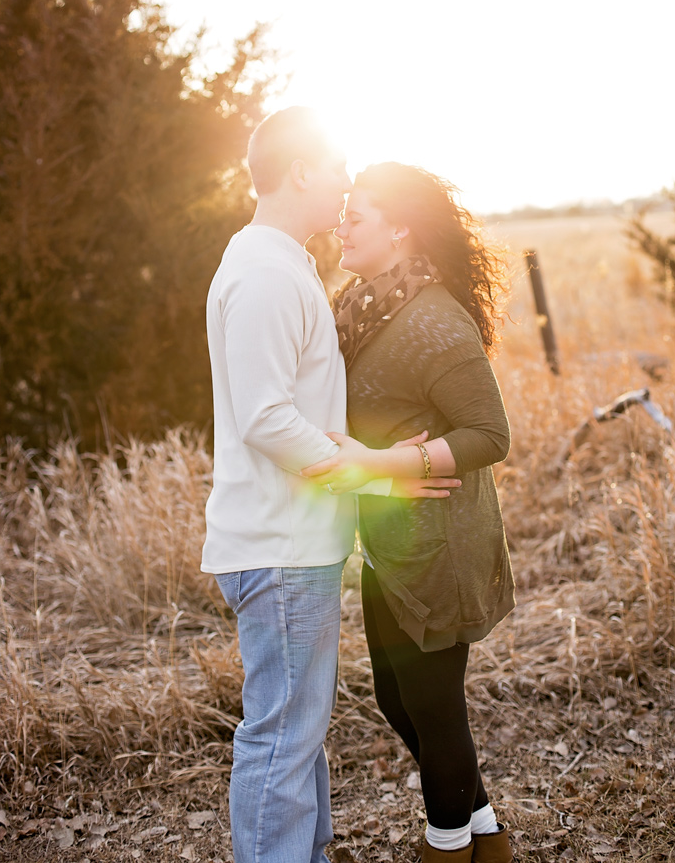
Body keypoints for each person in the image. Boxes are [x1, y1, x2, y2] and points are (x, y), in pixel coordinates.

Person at [202, 110, 458, 863]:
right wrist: (377, 477)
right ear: (301, 171)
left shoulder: (280, 263)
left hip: (294, 539)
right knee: (281, 736)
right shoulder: (264, 273)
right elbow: (266, 419)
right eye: (338, 167)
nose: (347, 185)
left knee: (298, 728)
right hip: (279, 546)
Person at [301, 163, 516, 863]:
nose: (341, 227)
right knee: (400, 700)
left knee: (433, 706)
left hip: (442, 542)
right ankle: (485, 836)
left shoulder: (433, 319)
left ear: (400, 229)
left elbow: (490, 435)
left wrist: (384, 462)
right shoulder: (362, 304)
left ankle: (447, 845)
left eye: (355, 217)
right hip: (390, 538)